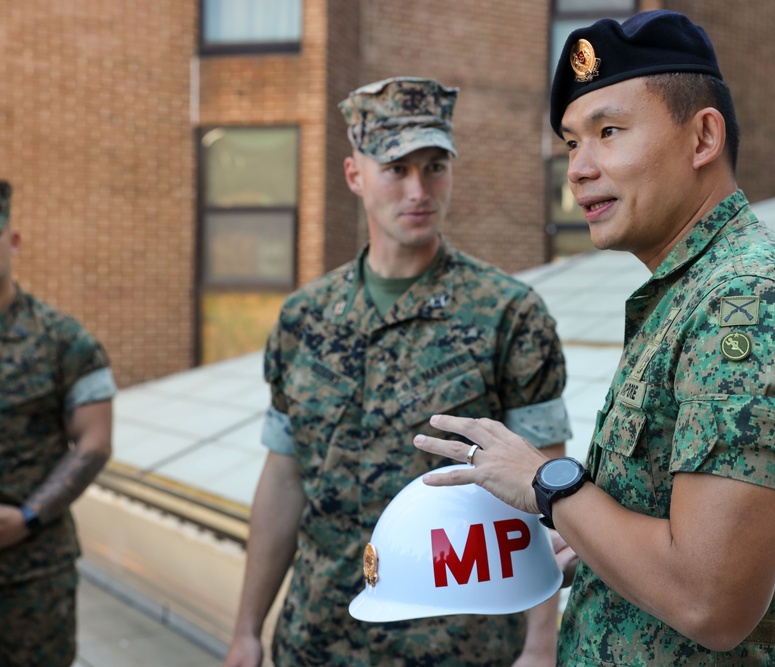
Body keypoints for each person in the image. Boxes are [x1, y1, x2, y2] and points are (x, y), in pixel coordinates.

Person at [415, 11, 775, 666]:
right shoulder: (688, 293)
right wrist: (586, 539)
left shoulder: (750, 303)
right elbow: (671, 541)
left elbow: (712, 599)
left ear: (703, 137)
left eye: (609, 132)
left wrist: (548, 484)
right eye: (571, 143)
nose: (580, 169)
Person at [224, 77, 572, 667]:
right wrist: (247, 630)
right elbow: (284, 478)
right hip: (318, 635)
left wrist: (541, 642)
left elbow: (543, 489)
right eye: (395, 168)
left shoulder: (509, 314)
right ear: (355, 175)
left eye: (435, 166)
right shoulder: (304, 318)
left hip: (459, 639)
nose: (419, 189)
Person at [0, 180, 117, 667]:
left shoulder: (63, 340)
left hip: (32, 579)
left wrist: (26, 518)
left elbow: (94, 443)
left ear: (14, 240)